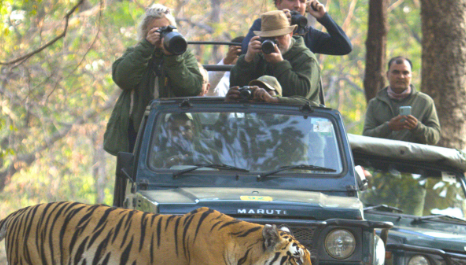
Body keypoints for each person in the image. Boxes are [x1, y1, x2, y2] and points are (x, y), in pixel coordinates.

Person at [103, 4, 204, 156]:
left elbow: (192, 88)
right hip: (139, 131)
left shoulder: (183, 55)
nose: (162, 35)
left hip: (176, 131)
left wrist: (172, 57)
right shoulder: (136, 53)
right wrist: (146, 48)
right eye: (157, 31)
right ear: (145, 32)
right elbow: (122, 79)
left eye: (166, 29)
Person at [229, 10, 322, 103]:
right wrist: (247, 59)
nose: (276, 41)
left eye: (280, 36)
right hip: (257, 114)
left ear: (290, 34)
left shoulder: (305, 58)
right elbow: (237, 86)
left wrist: (280, 64)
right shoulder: (258, 55)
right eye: (270, 38)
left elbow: (301, 94)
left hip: (298, 116)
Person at [362, 56, 441, 145]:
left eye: (405, 73)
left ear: (411, 76)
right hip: (382, 158)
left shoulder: (425, 102)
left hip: (414, 158)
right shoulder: (375, 103)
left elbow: (435, 137)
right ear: (387, 75)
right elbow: (366, 136)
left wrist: (417, 127)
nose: (401, 77)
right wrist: (388, 127)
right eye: (396, 72)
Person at [240, 0, 352, 57]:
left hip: (297, 97)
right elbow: (245, 53)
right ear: (278, 3)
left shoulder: (308, 33)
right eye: (292, 0)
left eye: (302, 1)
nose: (297, 5)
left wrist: (324, 17)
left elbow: (344, 47)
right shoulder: (261, 25)